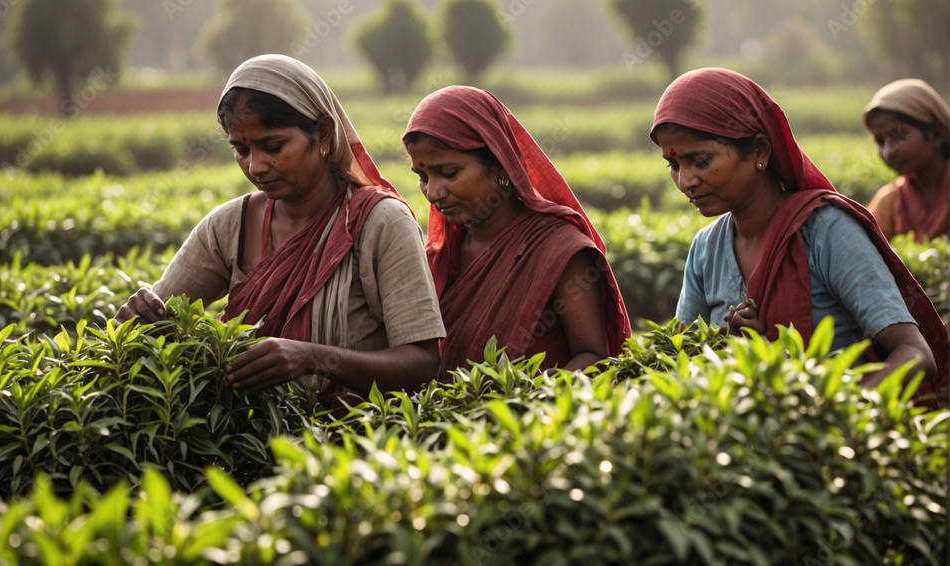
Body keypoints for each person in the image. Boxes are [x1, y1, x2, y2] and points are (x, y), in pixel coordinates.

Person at [116, 54, 445, 406]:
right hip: (247, 444)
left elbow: (423, 362)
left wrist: (313, 358)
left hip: (353, 445)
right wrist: (138, 318)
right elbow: (159, 320)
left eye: (273, 147)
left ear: (322, 133)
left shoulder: (380, 224)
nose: (256, 166)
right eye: (241, 150)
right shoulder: (230, 225)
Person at [651, 67, 947, 410]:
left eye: (700, 161)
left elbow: (914, 352)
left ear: (760, 151)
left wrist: (830, 409)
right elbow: (679, 363)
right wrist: (727, 350)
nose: (686, 181)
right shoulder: (706, 248)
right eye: (673, 166)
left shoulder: (827, 231)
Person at [401, 85, 630, 378]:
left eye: (449, 173)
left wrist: (524, 401)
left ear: (499, 165)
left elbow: (594, 358)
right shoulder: (439, 257)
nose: (433, 192)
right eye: (423, 177)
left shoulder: (559, 249)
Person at [862, 78, 950, 242]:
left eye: (899, 136)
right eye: (881, 142)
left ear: (937, 133)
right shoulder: (888, 202)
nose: (888, 152)